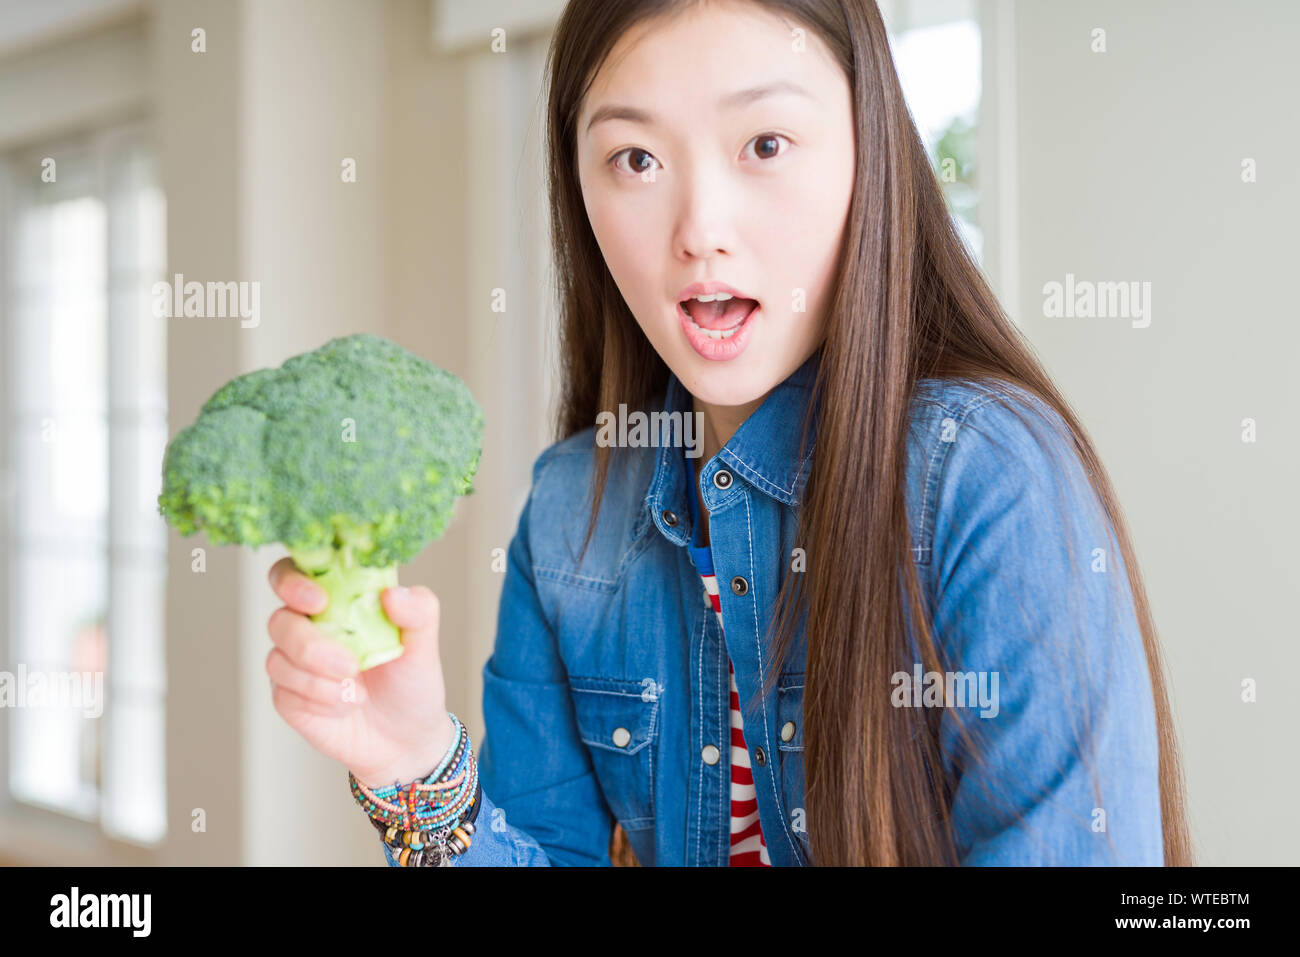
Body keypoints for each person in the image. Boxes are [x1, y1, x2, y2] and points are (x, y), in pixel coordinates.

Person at [265, 0, 1193, 866]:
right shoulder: (568, 514)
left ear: (873, 153)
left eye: (765, 142)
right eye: (635, 159)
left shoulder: (985, 477)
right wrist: (413, 764)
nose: (699, 228)